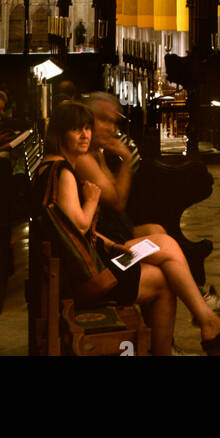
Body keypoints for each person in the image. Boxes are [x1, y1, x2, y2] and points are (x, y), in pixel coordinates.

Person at [76, 92, 220, 351]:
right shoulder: (85, 159)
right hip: (103, 259)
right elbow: (118, 200)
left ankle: (195, 314)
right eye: (104, 120)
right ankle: (204, 314)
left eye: (114, 122)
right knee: (165, 249)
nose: (111, 128)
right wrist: (124, 158)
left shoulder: (95, 153)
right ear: (85, 122)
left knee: (156, 230)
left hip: (107, 245)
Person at [31, 100, 176, 356]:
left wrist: (110, 244)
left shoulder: (47, 166)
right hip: (87, 280)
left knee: (158, 249)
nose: (85, 135)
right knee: (162, 280)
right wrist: (92, 199)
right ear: (60, 133)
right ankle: (165, 350)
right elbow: (81, 224)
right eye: (77, 130)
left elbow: (72, 228)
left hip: (72, 272)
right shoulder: (62, 172)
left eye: (87, 128)